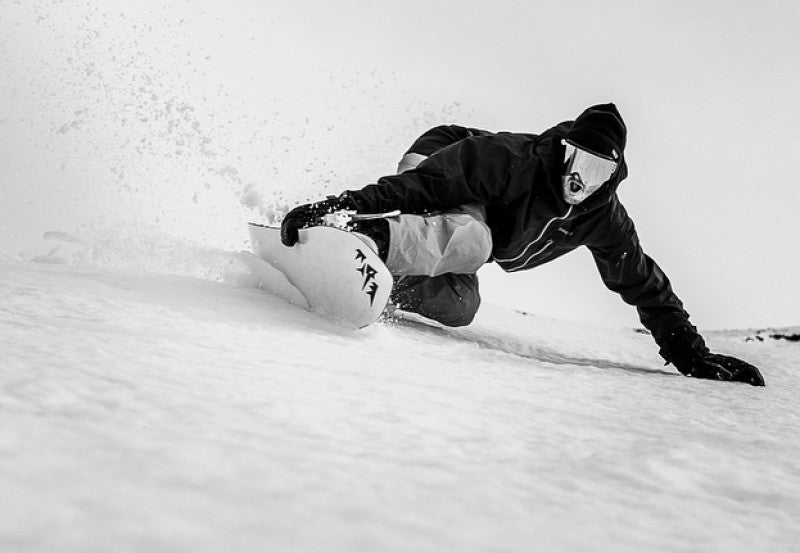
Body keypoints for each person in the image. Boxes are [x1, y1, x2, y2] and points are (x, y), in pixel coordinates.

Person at [280, 103, 765, 386]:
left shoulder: (604, 220)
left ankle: (379, 279)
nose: (581, 179)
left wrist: (690, 354)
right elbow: (426, 188)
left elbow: (642, 282)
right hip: (441, 160)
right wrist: (347, 206)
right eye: (577, 160)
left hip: (457, 218)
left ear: (614, 176)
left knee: (460, 305)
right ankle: (367, 239)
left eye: (598, 172)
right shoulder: (514, 161)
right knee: (474, 239)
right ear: (563, 150)